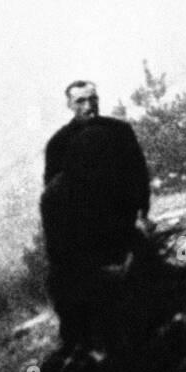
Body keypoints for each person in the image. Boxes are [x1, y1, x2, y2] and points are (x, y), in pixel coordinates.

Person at [41, 80, 152, 354]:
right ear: (69, 105)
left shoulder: (119, 130)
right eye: (80, 101)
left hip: (121, 222)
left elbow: (138, 173)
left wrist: (141, 212)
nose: (89, 106)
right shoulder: (59, 144)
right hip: (85, 239)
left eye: (93, 99)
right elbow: (58, 214)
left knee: (145, 280)